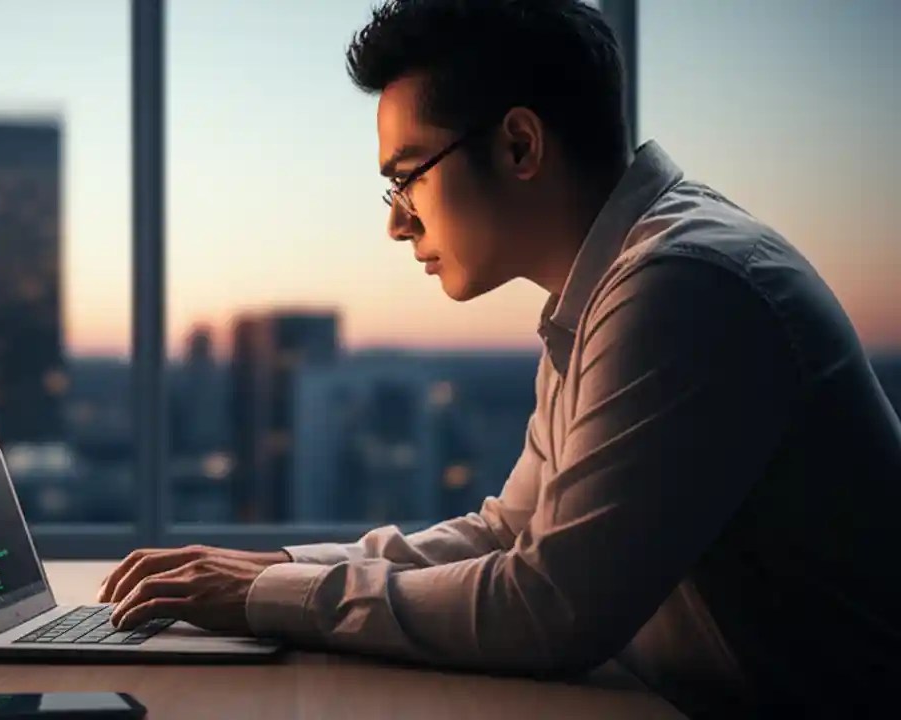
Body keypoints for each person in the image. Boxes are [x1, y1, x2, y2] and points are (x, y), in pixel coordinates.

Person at [98, 0, 901, 715]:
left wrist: (273, 595)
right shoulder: (611, 286)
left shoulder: (684, 286)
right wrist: (270, 568)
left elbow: (548, 607)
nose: (397, 223)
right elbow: (507, 534)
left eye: (407, 178)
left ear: (519, 144)